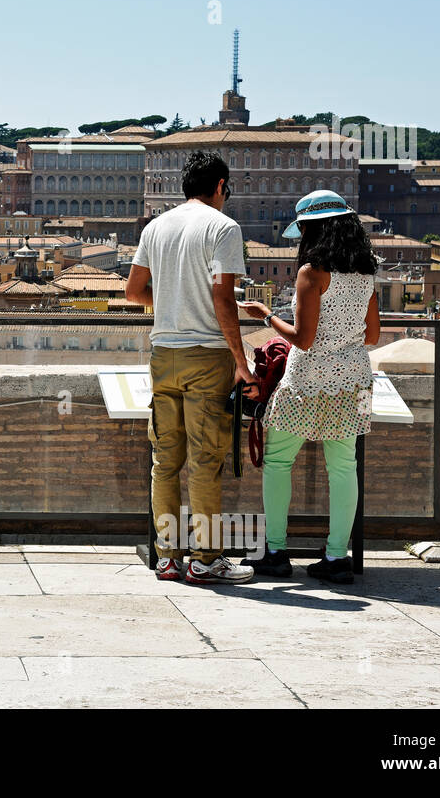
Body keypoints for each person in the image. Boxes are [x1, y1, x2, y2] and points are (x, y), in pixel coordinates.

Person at [125, 151, 258, 585]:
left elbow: (133, 292)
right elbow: (222, 298)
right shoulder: (224, 228)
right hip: (207, 356)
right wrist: (242, 362)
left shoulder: (156, 226)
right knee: (206, 460)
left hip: (163, 354)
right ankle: (205, 560)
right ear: (221, 185)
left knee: (164, 461)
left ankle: (167, 558)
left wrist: (172, 305)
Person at [239, 190, 380, 585]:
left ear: (310, 229)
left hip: (307, 379)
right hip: (353, 379)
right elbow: (373, 335)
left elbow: (301, 338)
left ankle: (276, 552)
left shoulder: (311, 272)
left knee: (279, 461)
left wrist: (267, 315)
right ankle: (337, 558)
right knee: (343, 467)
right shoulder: (366, 272)